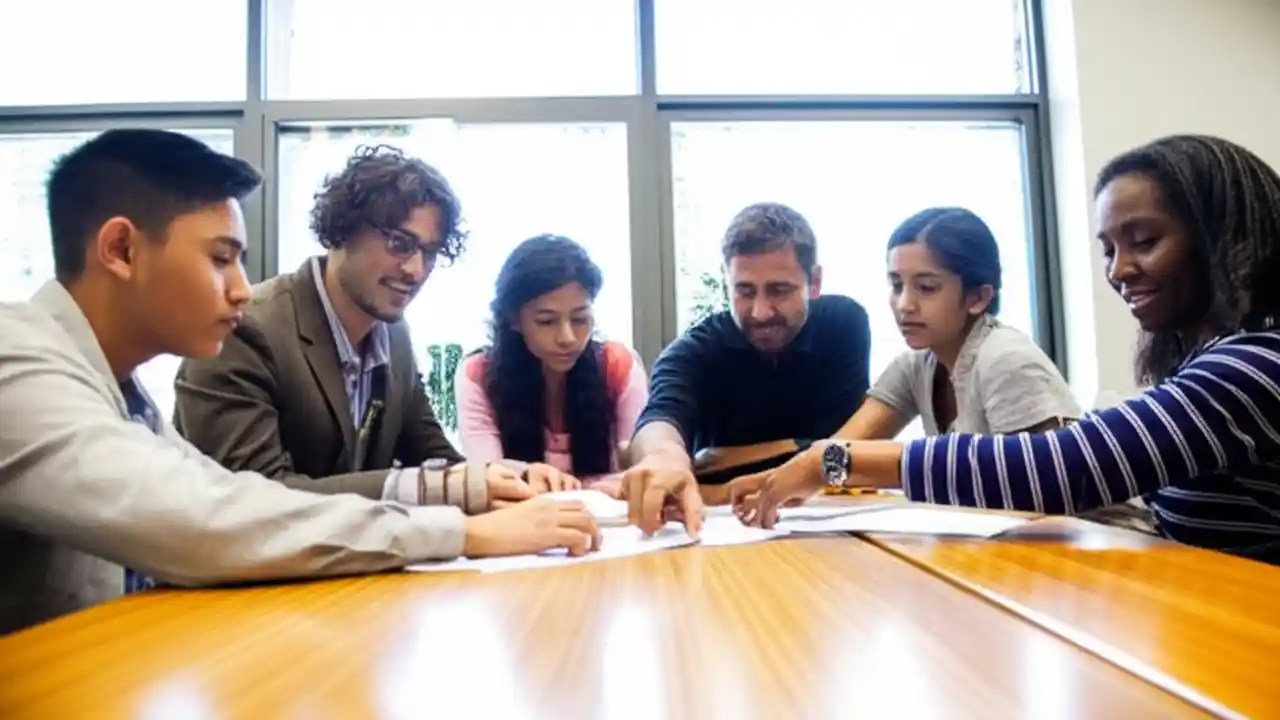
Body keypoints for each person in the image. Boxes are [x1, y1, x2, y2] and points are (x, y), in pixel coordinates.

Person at [0, 130, 598, 634]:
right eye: (219, 258)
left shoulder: (122, 399)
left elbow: (237, 501)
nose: (239, 288)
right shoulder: (15, 361)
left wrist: (488, 492)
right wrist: (463, 531)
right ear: (121, 249)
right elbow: (214, 516)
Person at [739, 135, 1280, 564]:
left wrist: (832, 462)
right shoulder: (1207, 362)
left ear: (1223, 237)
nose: (1118, 270)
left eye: (1143, 242)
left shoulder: (1254, 366)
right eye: (1109, 249)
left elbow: (1055, 470)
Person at [173, 145, 564, 497]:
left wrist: (509, 477)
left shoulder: (392, 333)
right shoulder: (247, 328)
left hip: (345, 569)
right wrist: (437, 486)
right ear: (342, 229)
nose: (415, 270)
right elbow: (258, 496)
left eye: (429, 253)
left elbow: (431, 454)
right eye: (400, 244)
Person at [723, 206, 1080, 498]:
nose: (904, 305)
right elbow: (837, 452)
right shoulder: (916, 366)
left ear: (978, 297)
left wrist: (816, 469)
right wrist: (777, 482)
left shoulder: (1005, 358)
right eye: (896, 285)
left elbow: (1042, 484)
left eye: (926, 287)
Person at [621, 202, 872, 536]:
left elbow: (847, 456)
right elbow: (660, 420)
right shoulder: (692, 351)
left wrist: (717, 466)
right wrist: (664, 457)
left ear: (814, 282)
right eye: (744, 291)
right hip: (729, 531)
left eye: (779, 290)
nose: (760, 311)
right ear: (727, 282)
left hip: (836, 525)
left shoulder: (843, 324)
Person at [456, 235, 649, 492]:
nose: (567, 338)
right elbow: (489, 477)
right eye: (546, 321)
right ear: (514, 320)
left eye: (580, 319)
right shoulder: (478, 375)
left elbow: (640, 469)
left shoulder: (617, 366)